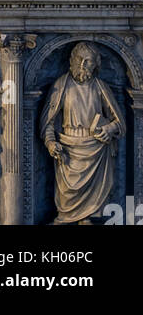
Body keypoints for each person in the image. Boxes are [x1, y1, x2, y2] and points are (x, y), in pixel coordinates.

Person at [40, 43, 125, 226]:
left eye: (88, 62)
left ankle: (86, 218)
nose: (82, 65)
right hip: (68, 150)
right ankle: (66, 218)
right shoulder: (60, 86)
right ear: (71, 60)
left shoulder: (100, 87)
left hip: (95, 152)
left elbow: (119, 122)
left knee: (90, 210)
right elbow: (49, 121)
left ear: (96, 65)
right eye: (79, 60)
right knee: (66, 199)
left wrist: (108, 129)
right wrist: (50, 143)